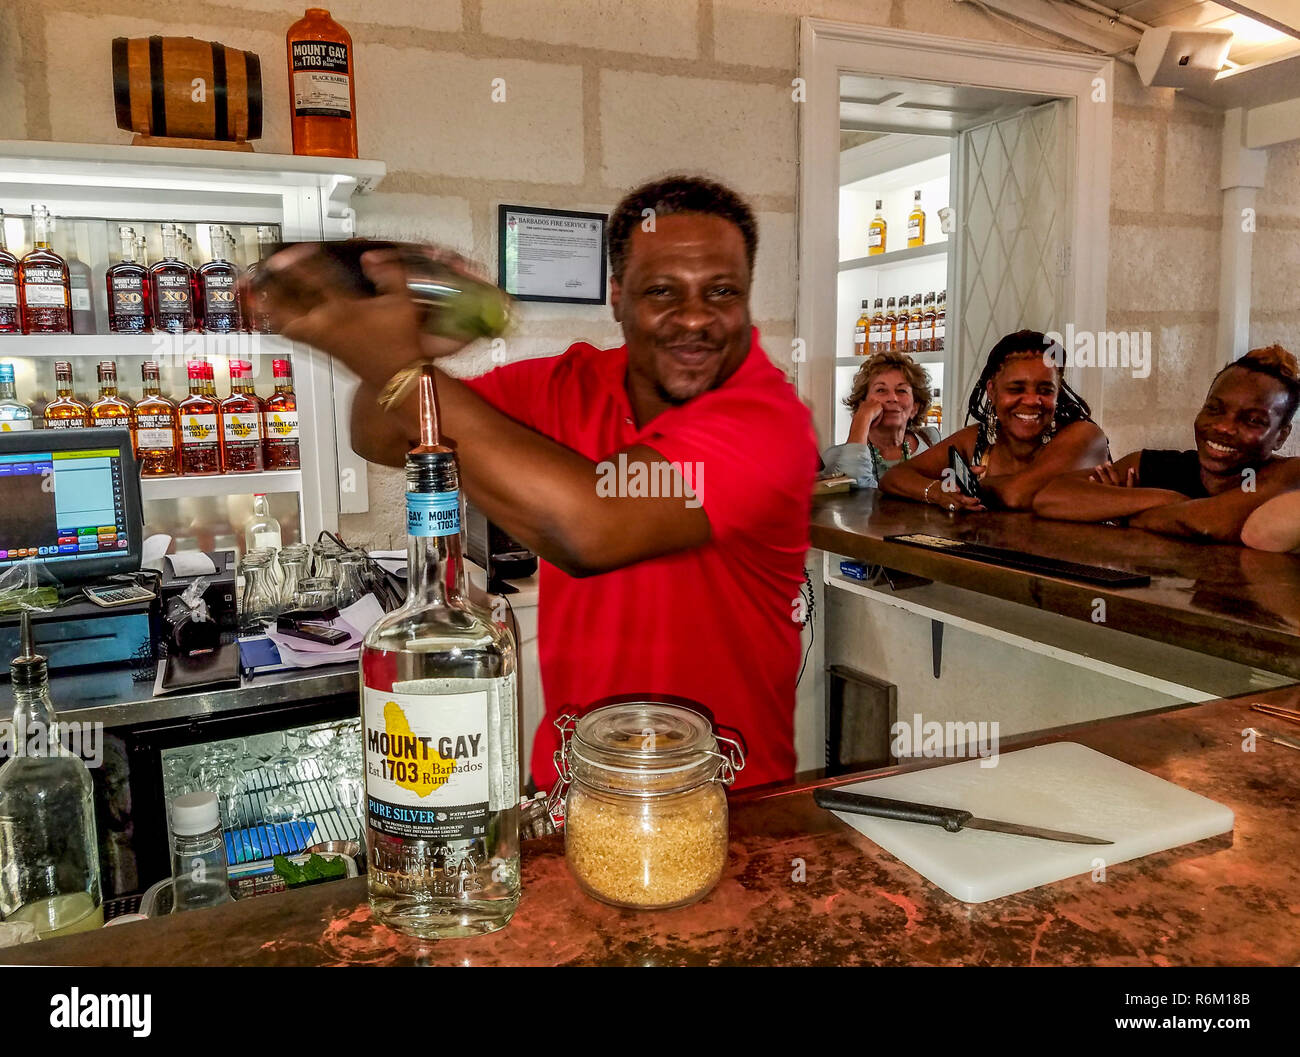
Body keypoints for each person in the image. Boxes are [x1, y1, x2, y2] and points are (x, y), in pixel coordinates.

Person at [260, 175, 820, 790]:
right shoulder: (567, 383)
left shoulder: (766, 421)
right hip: (572, 783)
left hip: (724, 795)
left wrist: (398, 363)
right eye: (662, 290)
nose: (695, 318)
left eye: (721, 291)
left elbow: (588, 530)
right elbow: (384, 438)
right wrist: (412, 348)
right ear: (617, 296)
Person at [1033, 345, 1300, 543]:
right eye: (1215, 409)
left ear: (1281, 436)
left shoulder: (1289, 475)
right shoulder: (1157, 466)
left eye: (1253, 420)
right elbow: (1051, 498)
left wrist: (1123, 514)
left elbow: (1208, 524)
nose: (1223, 427)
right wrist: (1167, 498)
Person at [878, 329, 1108, 511]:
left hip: (1070, 565)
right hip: (991, 564)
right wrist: (938, 491)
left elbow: (1017, 495)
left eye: (1046, 390)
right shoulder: (977, 440)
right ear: (992, 391)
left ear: (1058, 395)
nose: (1031, 400)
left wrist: (969, 486)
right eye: (1016, 389)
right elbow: (894, 477)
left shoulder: (1084, 436)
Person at [821, 351, 938, 488]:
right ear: (862, 404)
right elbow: (856, 490)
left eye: (901, 391)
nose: (893, 398)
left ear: (914, 408)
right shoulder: (835, 457)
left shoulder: (931, 440)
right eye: (881, 390)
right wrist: (862, 419)